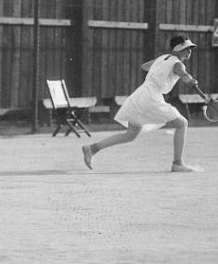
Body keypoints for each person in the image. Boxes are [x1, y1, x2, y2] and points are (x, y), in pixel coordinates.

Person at [82, 34, 208, 173]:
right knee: (182, 123)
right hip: (150, 97)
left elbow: (144, 66)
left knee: (130, 134)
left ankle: (92, 148)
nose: (190, 51)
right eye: (186, 48)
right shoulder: (178, 64)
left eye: (190, 48)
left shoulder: (162, 58)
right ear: (178, 50)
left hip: (140, 95)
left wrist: (160, 69)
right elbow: (184, 74)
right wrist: (190, 80)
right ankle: (178, 163)